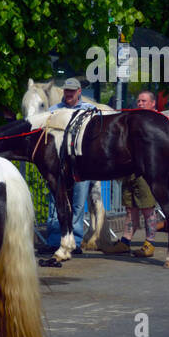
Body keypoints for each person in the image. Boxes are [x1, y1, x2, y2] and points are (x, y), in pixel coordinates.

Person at [41, 79, 98, 253]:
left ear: (79, 91)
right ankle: (54, 240)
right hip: (58, 164)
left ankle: (76, 241)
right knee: (55, 201)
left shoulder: (89, 111)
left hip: (81, 163)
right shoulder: (53, 111)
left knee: (78, 203)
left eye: (72, 91)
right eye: (67, 90)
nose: (69, 94)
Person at [120, 90, 160, 257]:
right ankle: (125, 242)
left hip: (146, 171)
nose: (140, 103)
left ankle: (150, 242)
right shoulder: (134, 120)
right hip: (130, 170)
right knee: (130, 208)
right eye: (138, 101)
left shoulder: (157, 122)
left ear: (152, 103)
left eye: (144, 101)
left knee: (147, 208)